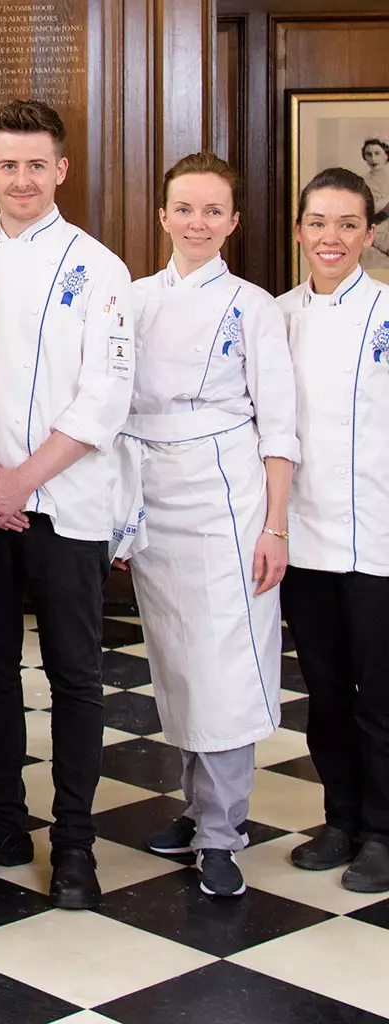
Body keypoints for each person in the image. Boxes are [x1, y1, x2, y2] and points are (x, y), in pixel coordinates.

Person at [0, 99, 134, 910]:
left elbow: (104, 395)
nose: (22, 179)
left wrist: (23, 480)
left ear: (62, 169)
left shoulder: (102, 268)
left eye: (36, 164)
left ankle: (76, 842)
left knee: (76, 675)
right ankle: (3, 820)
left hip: (66, 499)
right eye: (7, 165)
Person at [122, 153, 297, 898]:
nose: (197, 223)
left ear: (233, 221)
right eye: (184, 209)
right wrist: (123, 516)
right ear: (163, 216)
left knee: (225, 661)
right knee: (178, 660)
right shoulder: (129, 300)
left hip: (229, 493)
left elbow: (281, 424)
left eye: (212, 211)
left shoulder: (254, 306)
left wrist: (276, 526)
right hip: (151, 487)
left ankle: (225, 832)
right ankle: (197, 811)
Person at [277, 167, 389, 894]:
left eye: (348, 224)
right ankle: (340, 818)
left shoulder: (386, 312)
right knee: (323, 690)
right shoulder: (275, 316)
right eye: (319, 222)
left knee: (380, 698)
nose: (332, 237)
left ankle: (381, 832)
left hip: (380, 539)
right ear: (298, 230)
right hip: (305, 536)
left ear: (370, 236)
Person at [361, 138, 389, 273]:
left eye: (377, 153)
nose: (373, 159)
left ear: (386, 155)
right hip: (376, 232)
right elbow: (369, 210)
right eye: (369, 154)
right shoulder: (362, 182)